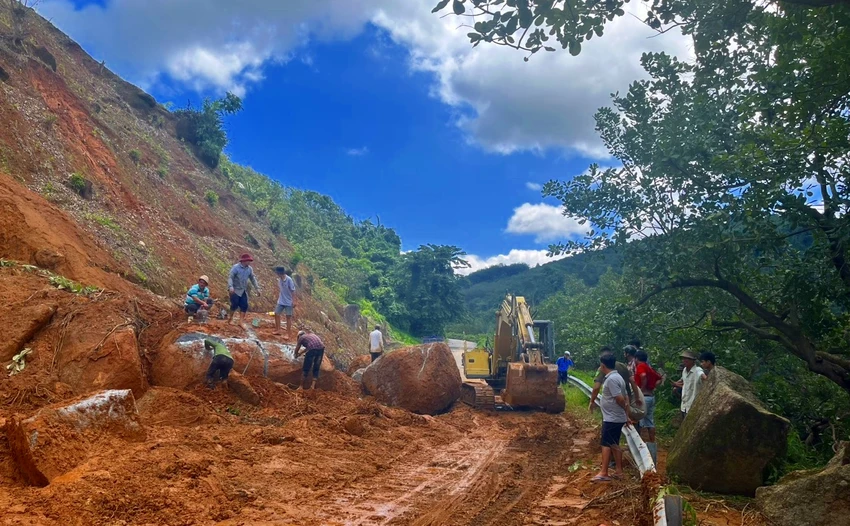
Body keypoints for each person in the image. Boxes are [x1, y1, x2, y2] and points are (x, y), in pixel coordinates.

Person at [592, 352, 630, 482]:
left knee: (606, 444)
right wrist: (626, 414)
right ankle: (619, 471)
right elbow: (625, 397)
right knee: (614, 444)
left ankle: (604, 472)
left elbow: (620, 398)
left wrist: (624, 408)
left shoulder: (612, 379)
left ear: (602, 365)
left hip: (612, 418)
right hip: (615, 417)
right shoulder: (617, 377)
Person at [635, 349, 663, 464]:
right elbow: (659, 378)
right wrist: (652, 388)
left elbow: (643, 376)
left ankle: (639, 444)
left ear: (637, 358)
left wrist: (641, 390)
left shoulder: (641, 366)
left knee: (639, 419)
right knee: (650, 421)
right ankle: (652, 443)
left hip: (644, 397)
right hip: (651, 397)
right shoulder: (649, 367)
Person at [590, 346, 639, 411]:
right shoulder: (623, 366)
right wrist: (637, 397)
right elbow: (633, 381)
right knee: (625, 418)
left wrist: (592, 401)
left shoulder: (603, 368)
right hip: (626, 399)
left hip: (611, 402)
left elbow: (596, 387)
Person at [228, 253, 261, 325]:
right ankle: (230, 319)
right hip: (235, 289)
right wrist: (230, 287)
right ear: (244, 261)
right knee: (234, 304)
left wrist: (257, 288)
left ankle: (241, 321)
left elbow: (253, 278)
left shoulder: (249, 269)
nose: (249, 262)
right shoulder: (235, 268)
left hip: (243, 290)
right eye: (248, 261)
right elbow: (230, 277)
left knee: (244, 305)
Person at [672, 350, 706, 418]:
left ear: (692, 361)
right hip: (684, 405)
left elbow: (703, 377)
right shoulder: (684, 370)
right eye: (683, 359)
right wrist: (675, 384)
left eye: (686, 359)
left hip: (693, 405)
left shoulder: (697, 370)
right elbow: (682, 380)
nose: (684, 361)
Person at [273, 266, 296, 338]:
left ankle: (288, 334)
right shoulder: (279, 280)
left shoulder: (289, 280)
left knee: (288, 317)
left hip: (289, 301)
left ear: (280, 273)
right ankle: (278, 330)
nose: (277, 274)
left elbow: (293, 291)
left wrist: (294, 301)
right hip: (281, 300)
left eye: (277, 273)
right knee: (276, 313)